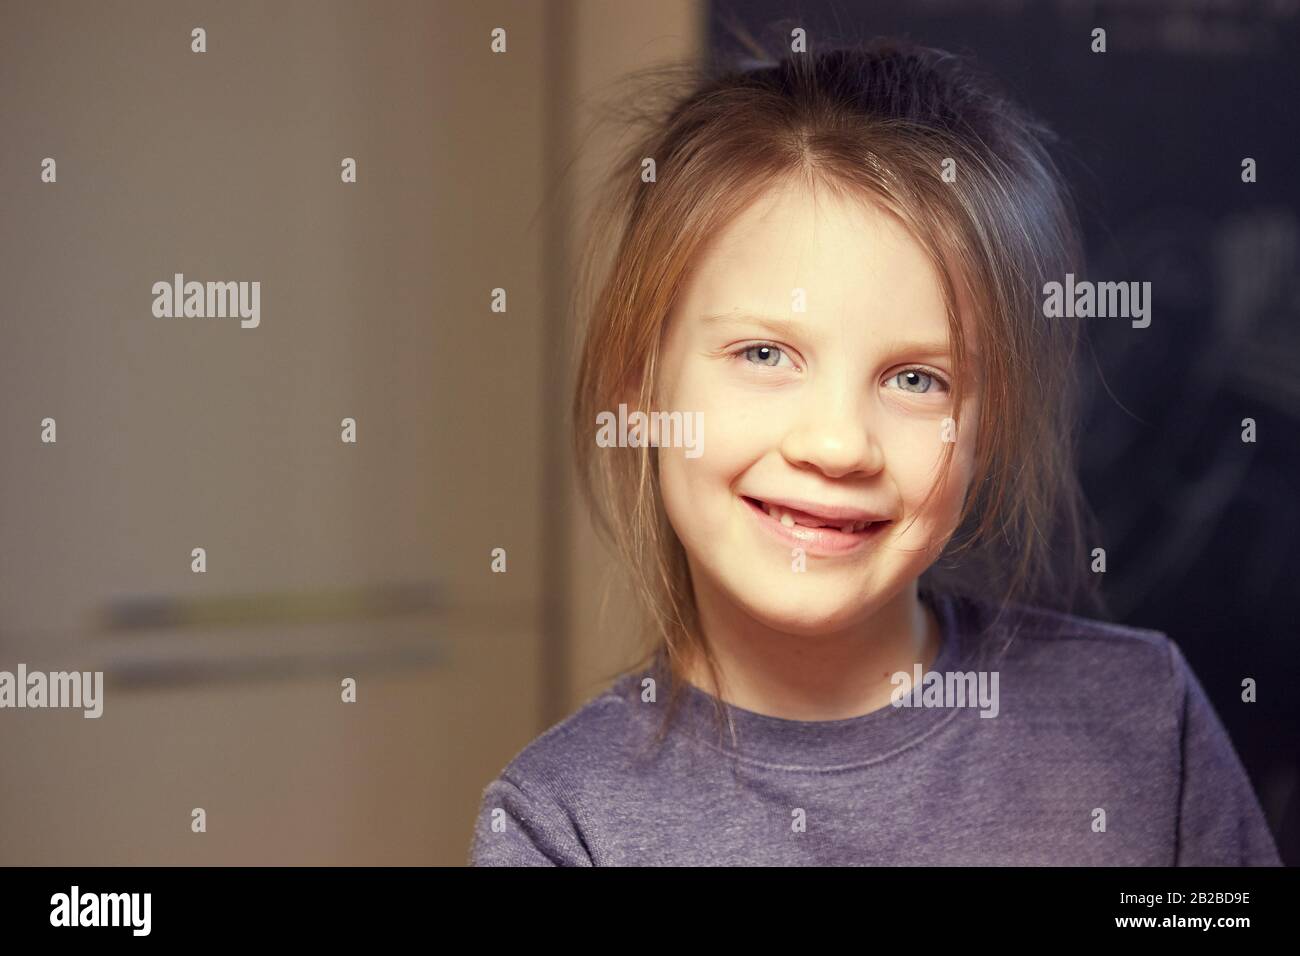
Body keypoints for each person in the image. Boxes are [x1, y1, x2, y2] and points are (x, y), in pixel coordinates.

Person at [469, 39, 1282, 866]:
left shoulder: (1141, 723)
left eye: (917, 379)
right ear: (639, 390)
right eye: (764, 355)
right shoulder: (563, 825)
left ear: (985, 430)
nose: (837, 444)